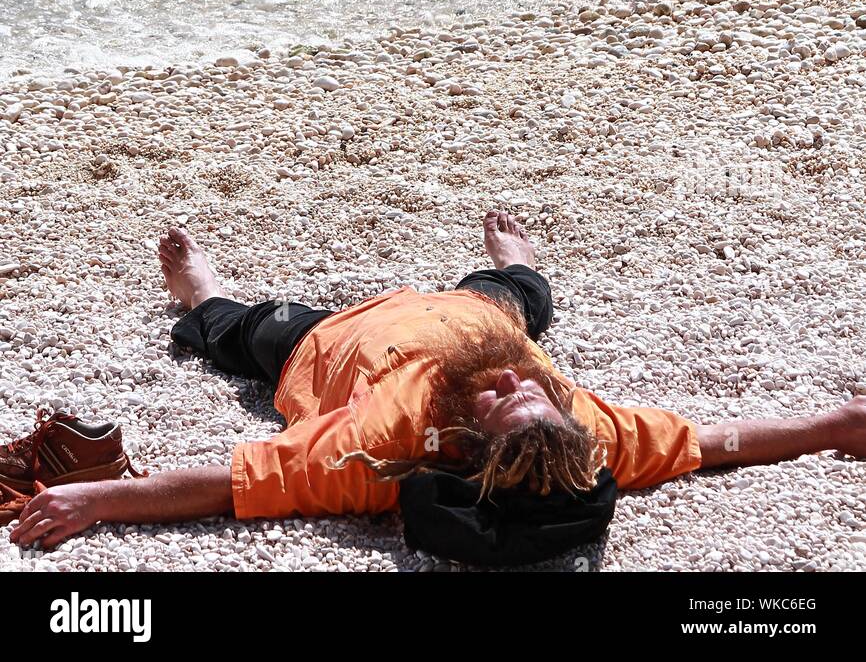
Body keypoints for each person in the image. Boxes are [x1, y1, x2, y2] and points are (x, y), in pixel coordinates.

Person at [10, 211, 866, 553]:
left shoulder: (377, 449)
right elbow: (724, 442)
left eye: (500, 401)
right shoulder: (584, 435)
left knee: (233, 332)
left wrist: (100, 502)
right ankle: (522, 265)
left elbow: (233, 487)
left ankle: (200, 287)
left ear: (468, 445)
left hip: (332, 344)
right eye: (533, 392)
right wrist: (835, 425)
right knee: (523, 302)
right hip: (474, 313)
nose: (507, 385)